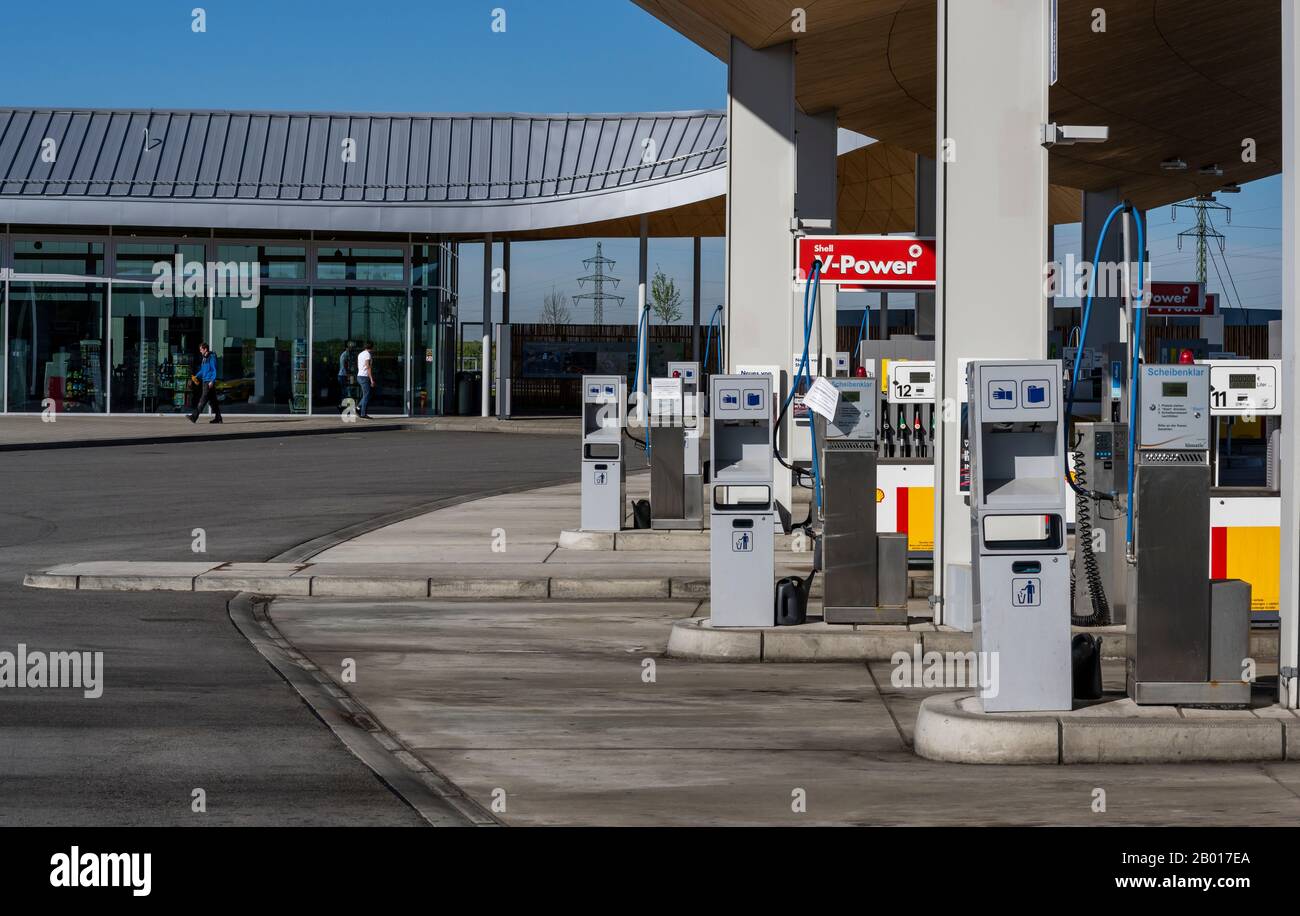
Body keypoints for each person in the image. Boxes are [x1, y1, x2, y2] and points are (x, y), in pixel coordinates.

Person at [188, 342, 223, 424]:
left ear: (205, 349)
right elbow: (202, 370)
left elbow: (214, 370)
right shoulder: (204, 358)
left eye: (201, 349)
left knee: (203, 400)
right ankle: (218, 418)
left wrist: (212, 381)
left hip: (208, 382)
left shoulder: (211, 357)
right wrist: (196, 376)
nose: (200, 351)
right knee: (213, 402)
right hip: (205, 381)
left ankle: (194, 417)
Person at [356, 340, 375, 419]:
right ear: (372, 347)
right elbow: (368, 367)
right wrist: (371, 379)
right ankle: (363, 414)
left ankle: (358, 408)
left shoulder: (360, 354)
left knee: (367, 394)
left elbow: (358, 365)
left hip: (359, 376)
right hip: (364, 377)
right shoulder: (367, 354)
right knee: (367, 395)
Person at [337, 341, 355, 409]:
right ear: (347, 348)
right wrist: (348, 375)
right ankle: (343, 405)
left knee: (346, 390)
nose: (351, 349)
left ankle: (344, 405)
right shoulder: (345, 355)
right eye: (350, 348)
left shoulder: (347, 354)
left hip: (344, 375)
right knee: (345, 391)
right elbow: (345, 365)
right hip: (343, 375)